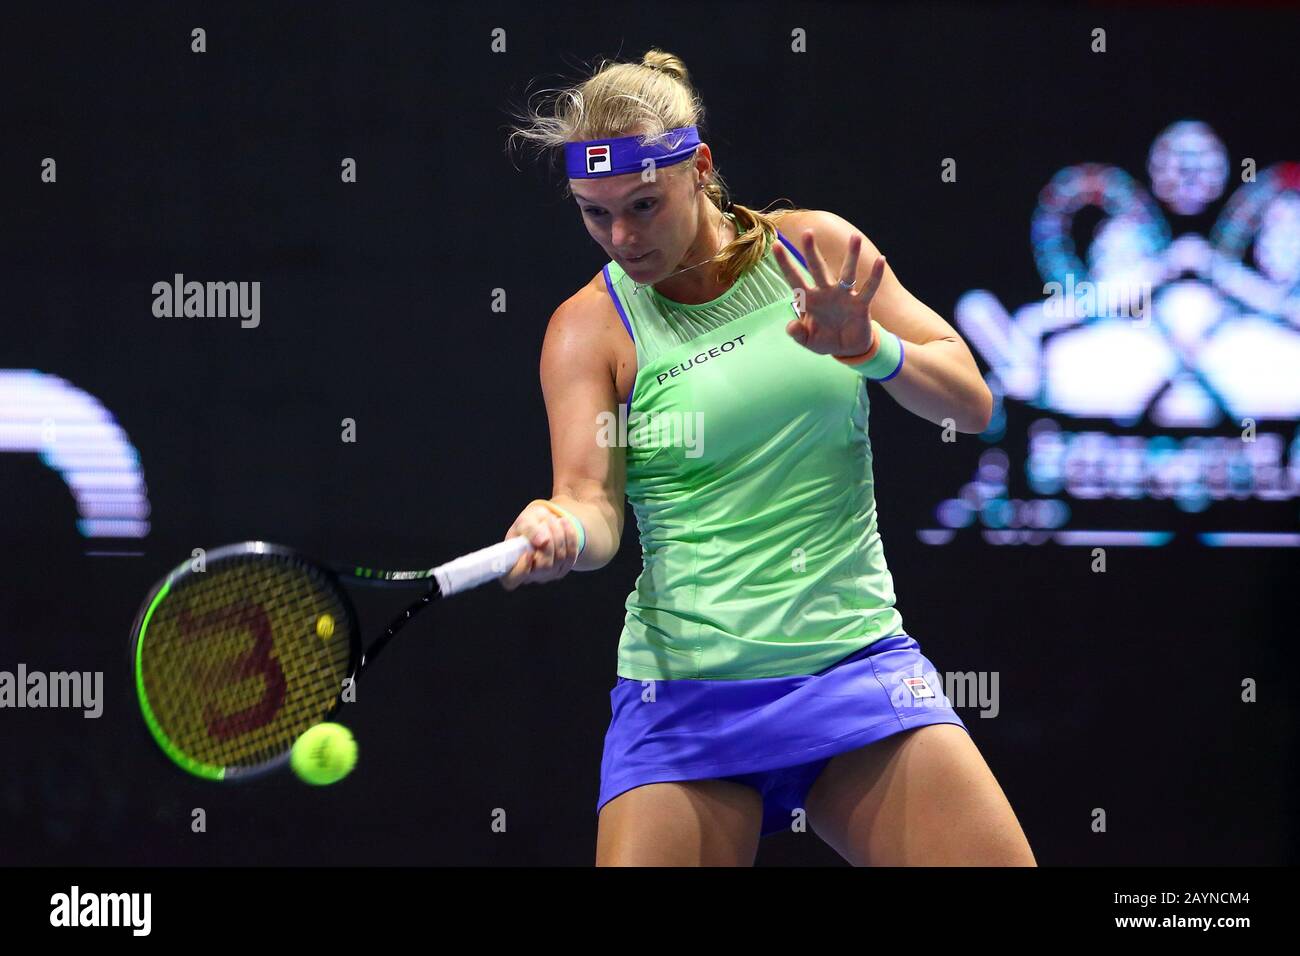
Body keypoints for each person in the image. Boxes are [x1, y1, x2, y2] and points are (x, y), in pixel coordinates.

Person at [500, 48, 1036, 867]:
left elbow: (972, 404)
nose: (621, 237)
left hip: (854, 665)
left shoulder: (814, 251)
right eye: (593, 212)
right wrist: (562, 528)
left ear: (700, 167)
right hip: (685, 697)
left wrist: (871, 348)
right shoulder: (587, 329)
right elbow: (592, 505)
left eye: (643, 205)